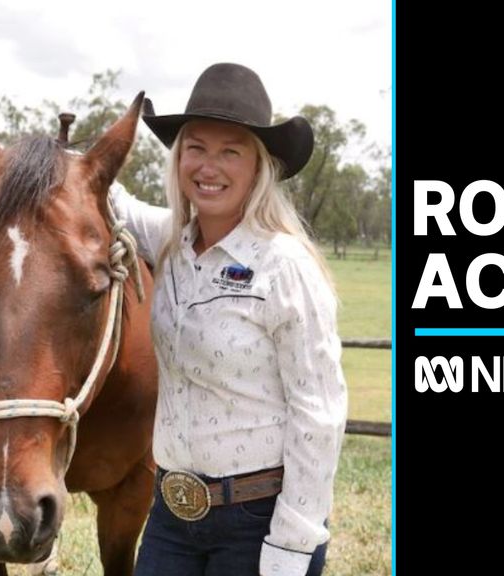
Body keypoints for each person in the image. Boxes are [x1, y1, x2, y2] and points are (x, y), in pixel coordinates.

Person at [110, 63, 347, 576]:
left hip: (258, 518)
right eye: (195, 147)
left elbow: (319, 412)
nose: (208, 166)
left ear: (259, 167)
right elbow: (109, 198)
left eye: (230, 151)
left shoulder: (285, 267)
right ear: (178, 159)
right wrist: (48, 160)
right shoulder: (170, 241)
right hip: (172, 514)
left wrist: (291, 544)